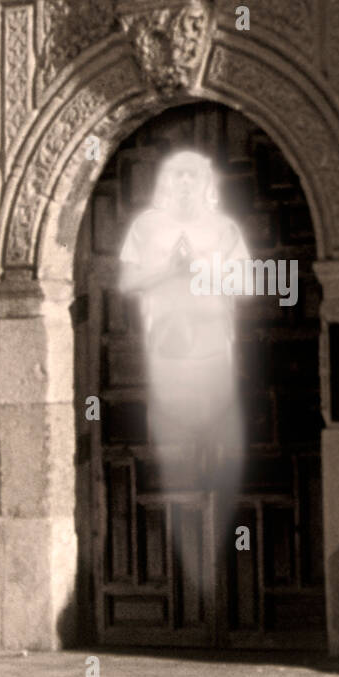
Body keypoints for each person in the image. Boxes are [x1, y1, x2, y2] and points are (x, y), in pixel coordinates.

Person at [117, 149, 248, 495]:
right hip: (165, 352)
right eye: (179, 175)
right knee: (171, 456)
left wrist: (202, 269)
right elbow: (127, 282)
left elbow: (246, 282)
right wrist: (168, 270)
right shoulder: (146, 226)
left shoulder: (224, 228)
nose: (186, 182)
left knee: (220, 450)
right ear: (167, 181)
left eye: (193, 175)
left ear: (206, 181)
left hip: (212, 352)